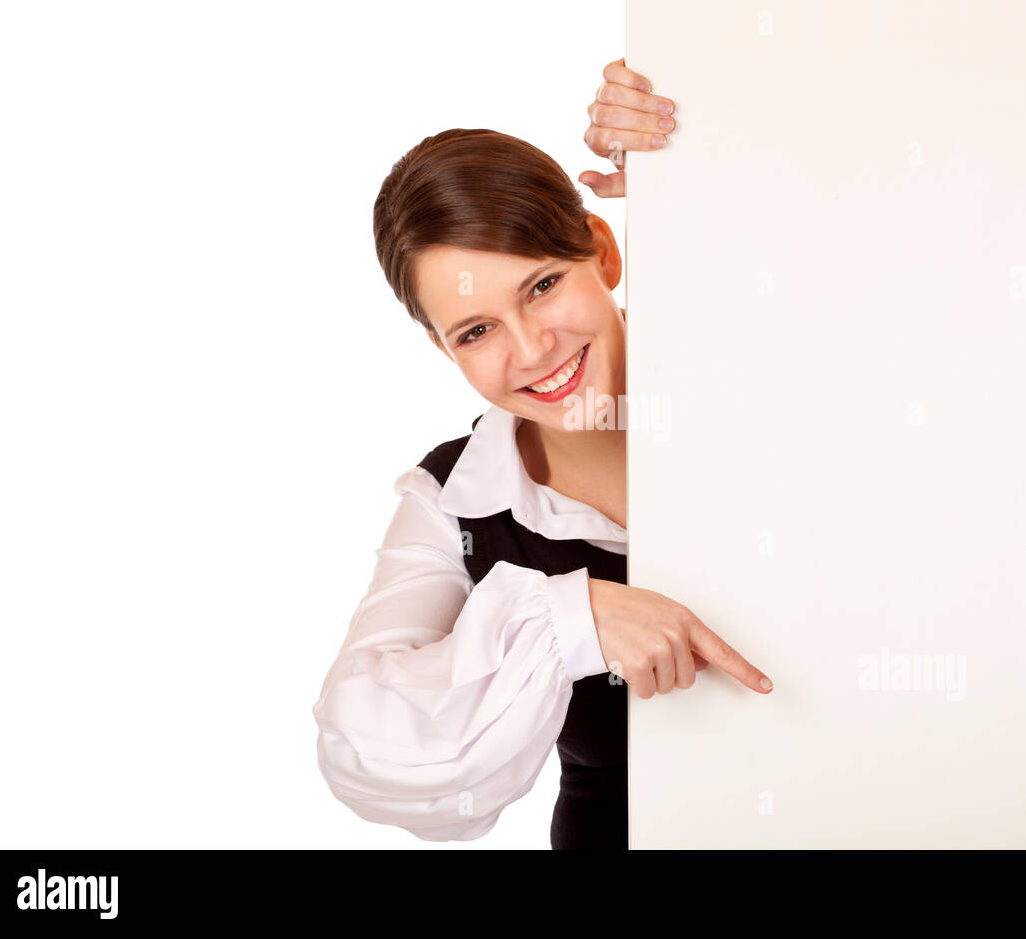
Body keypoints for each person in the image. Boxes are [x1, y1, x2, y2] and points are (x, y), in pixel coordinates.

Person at [311, 58, 773, 850]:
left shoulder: (749, 357)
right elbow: (360, 744)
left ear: (604, 249)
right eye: (477, 331)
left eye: (542, 285)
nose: (533, 350)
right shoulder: (454, 500)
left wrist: (704, 142)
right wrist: (570, 618)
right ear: (442, 348)